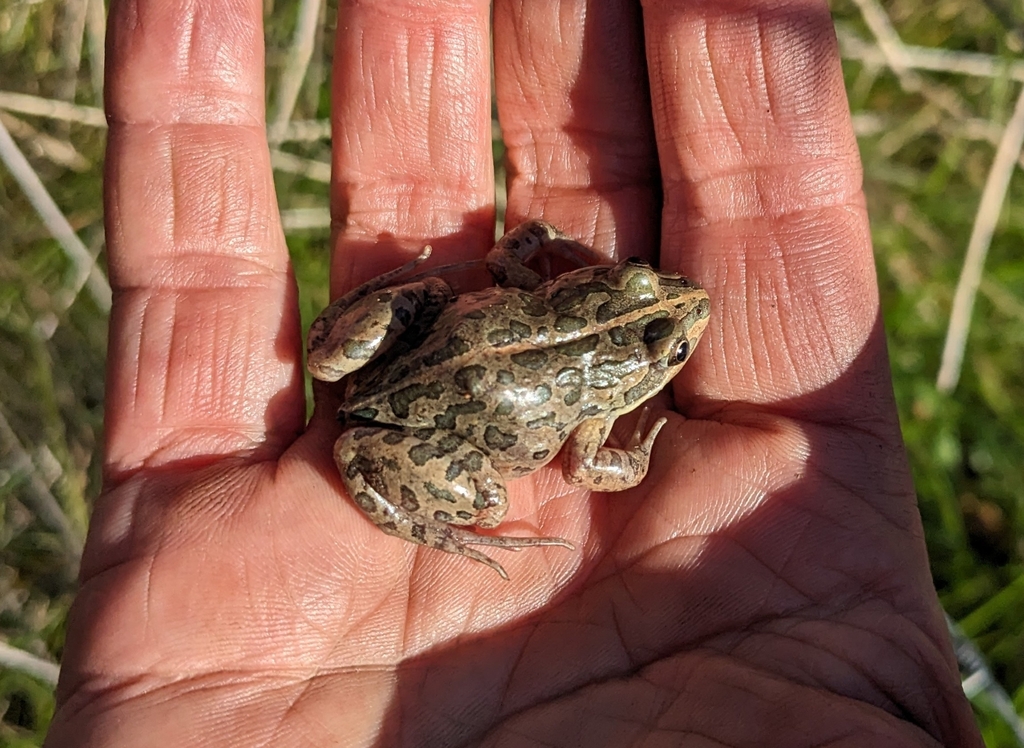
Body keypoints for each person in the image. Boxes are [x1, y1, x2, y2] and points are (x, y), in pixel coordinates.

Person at [45, 1, 984, 745]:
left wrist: (469, 274)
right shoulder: (596, 409)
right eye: (656, 312)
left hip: (434, 346)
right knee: (481, 475)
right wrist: (647, 433)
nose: (683, 310)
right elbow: (592, 468)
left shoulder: (549, 285)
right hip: (420, 420)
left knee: (412, 360)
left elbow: (508, 256)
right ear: (611, 297)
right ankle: (428, 501)